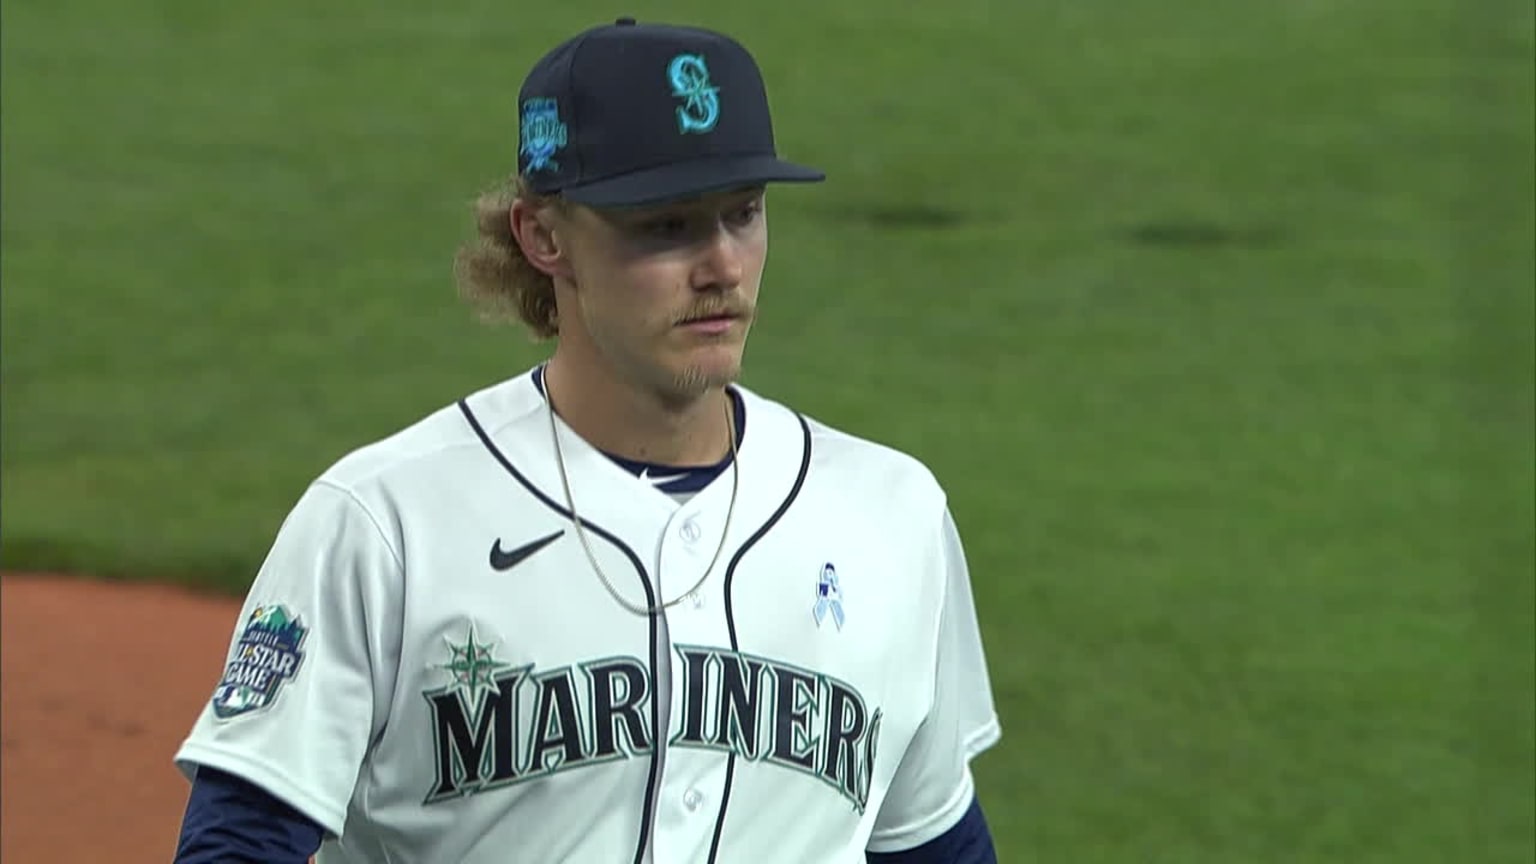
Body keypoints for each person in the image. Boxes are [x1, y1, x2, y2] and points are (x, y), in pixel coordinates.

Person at [172, 17, 1001, 863]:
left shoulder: (892, 517)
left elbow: (933, 843)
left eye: (743, 214)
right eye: (666, 226)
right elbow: (238, 842)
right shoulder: (385, 523)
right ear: (543, 237)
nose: (722, 266)